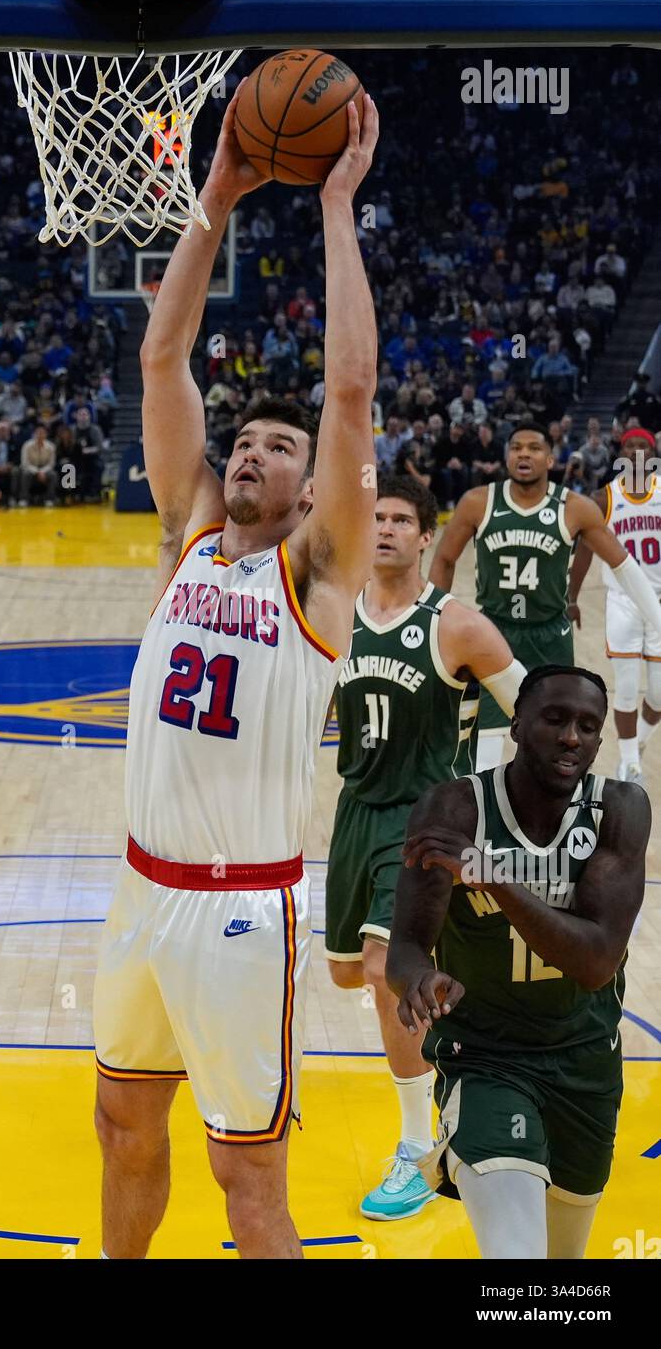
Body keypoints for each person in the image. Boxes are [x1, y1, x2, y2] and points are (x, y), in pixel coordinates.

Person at [93, 89, 380, 1260]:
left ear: (313, 490)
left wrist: (334, 209)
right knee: (119, 1122)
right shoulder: (188, 535)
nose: (252, 450)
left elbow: (350, 391)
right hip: (136, 891)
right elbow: (162, 353)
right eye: (245, 439)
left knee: (243, 1169)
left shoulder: (317, 579)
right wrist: (210, 201)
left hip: (239, 911)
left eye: (280, 445)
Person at [386, 667, 650, 1260]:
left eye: (588, 726)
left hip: (586, 1063)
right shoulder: (453, 808)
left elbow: (596, 961)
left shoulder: (621, 809)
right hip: (486, 1059)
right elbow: (405, 947)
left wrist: (490, 875)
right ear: (517, 724)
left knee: (561, 1266)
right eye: (555, 719)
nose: (572, 738)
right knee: (516, 1263)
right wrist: (418, 982)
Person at [326, 476, 525, 1221]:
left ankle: (420, 1150)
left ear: (423, 536)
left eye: (399, 519)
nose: (382, 529)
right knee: (353, 977)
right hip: (354, 813)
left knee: (386, 971)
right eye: (373, 516)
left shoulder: (456, 625)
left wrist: (502, 805)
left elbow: (536, 711)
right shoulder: (336, 613)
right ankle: (466, 1057)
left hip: (422, 821)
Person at [430, 422, 661, 770]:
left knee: (556, 736)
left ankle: (551, 810)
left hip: (550, 634)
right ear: (507, 456)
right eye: (516, 447)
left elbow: (624, 566)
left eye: (534, 448)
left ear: (551, 458)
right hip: (494, 631)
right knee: (489, 738)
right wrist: (433, 623)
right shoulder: (478, 502)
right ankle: (483, 812)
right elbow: (445, 559)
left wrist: (657, 619)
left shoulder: (576, 507)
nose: (524, 453)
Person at [568, 427, 661, 783]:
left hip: (658, 604)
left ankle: (638, 744)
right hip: (623, 602)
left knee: (657, 692)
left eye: (644, 445)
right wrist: (572, 597)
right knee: (624, 686)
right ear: (621, 454)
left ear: (652, 455)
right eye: (630, 445)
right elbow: (585, 554)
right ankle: (629, 764)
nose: (637, 450)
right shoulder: (603, 498)